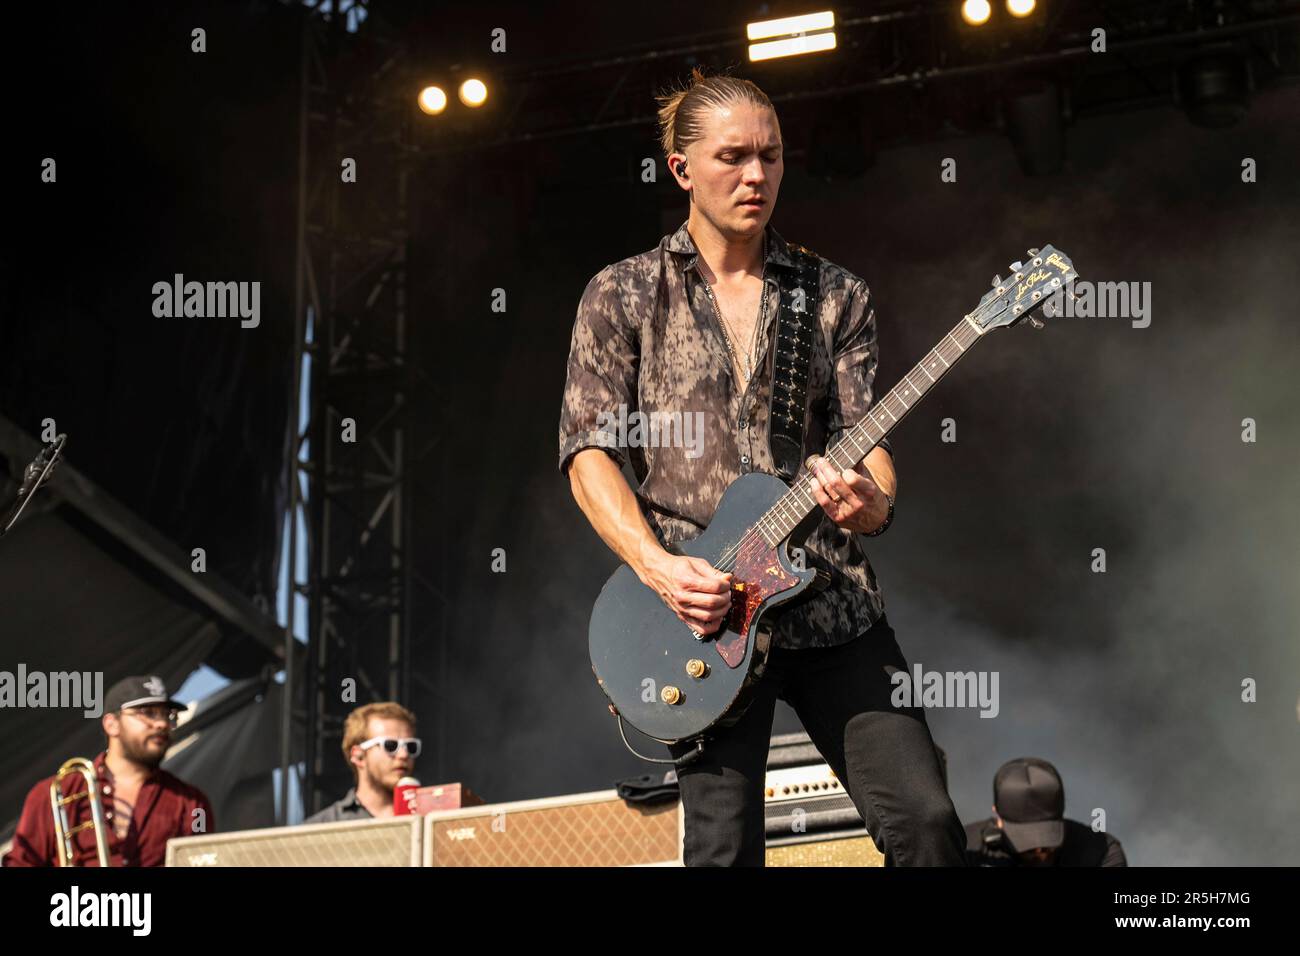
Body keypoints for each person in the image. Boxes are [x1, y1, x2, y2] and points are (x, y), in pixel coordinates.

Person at [558, 68, 967, 866]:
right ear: (681, 169)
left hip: (830, 597)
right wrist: (657, 568)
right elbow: (588, 453)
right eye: (734, 157)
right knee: (723, 849)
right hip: (699, 614)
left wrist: (871, 506)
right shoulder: (623, 294)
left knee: (926, 822)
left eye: (772, 157)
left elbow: (864, 431)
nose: (757, 176)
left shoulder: (834, 293)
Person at [4, 675, 213, 866]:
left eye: (167, 715)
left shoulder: (195, 805)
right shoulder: (53, 792)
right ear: (112, 724)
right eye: (147, 713)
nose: (161, 724)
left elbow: (205, 861)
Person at [964, 757, 1128, 866]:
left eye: (1047, 839)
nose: (1039, 851)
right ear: (997, 815)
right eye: (1024, 838)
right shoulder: (965, 847)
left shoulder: (1100, 852)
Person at [304, 702, 420, 823]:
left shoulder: (431, 817)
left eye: (410, 746)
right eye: (390, 745)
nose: (404, 755)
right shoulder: (322, 826)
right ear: (359, 756)